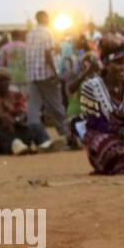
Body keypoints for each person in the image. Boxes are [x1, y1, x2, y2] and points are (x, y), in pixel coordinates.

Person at [79, 35, 124, 175]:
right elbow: (93, 122)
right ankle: (106, 164)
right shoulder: (90, 87)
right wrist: (116, 130)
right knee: (110, 145)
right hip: (103, 132)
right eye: (118, 63)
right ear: (106, 64)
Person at [0, 68, 52, 156]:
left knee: (32, 118)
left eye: (6, 80)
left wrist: (15, 120)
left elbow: (23, 112)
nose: (4, 83)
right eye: (0, 80)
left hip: (10, 138)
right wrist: (1, 117)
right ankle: (13, 143)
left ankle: (44, 142)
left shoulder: (16, 95)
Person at [26, 11, 72, 147]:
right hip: (46, 74)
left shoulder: (30, 34)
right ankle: (67, 135)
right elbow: (48, 54)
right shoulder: (47, 33)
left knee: (33, 106)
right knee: (56, 105)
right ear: (45, 18)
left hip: (33, 74)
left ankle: (39, 136)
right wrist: (55, 72)